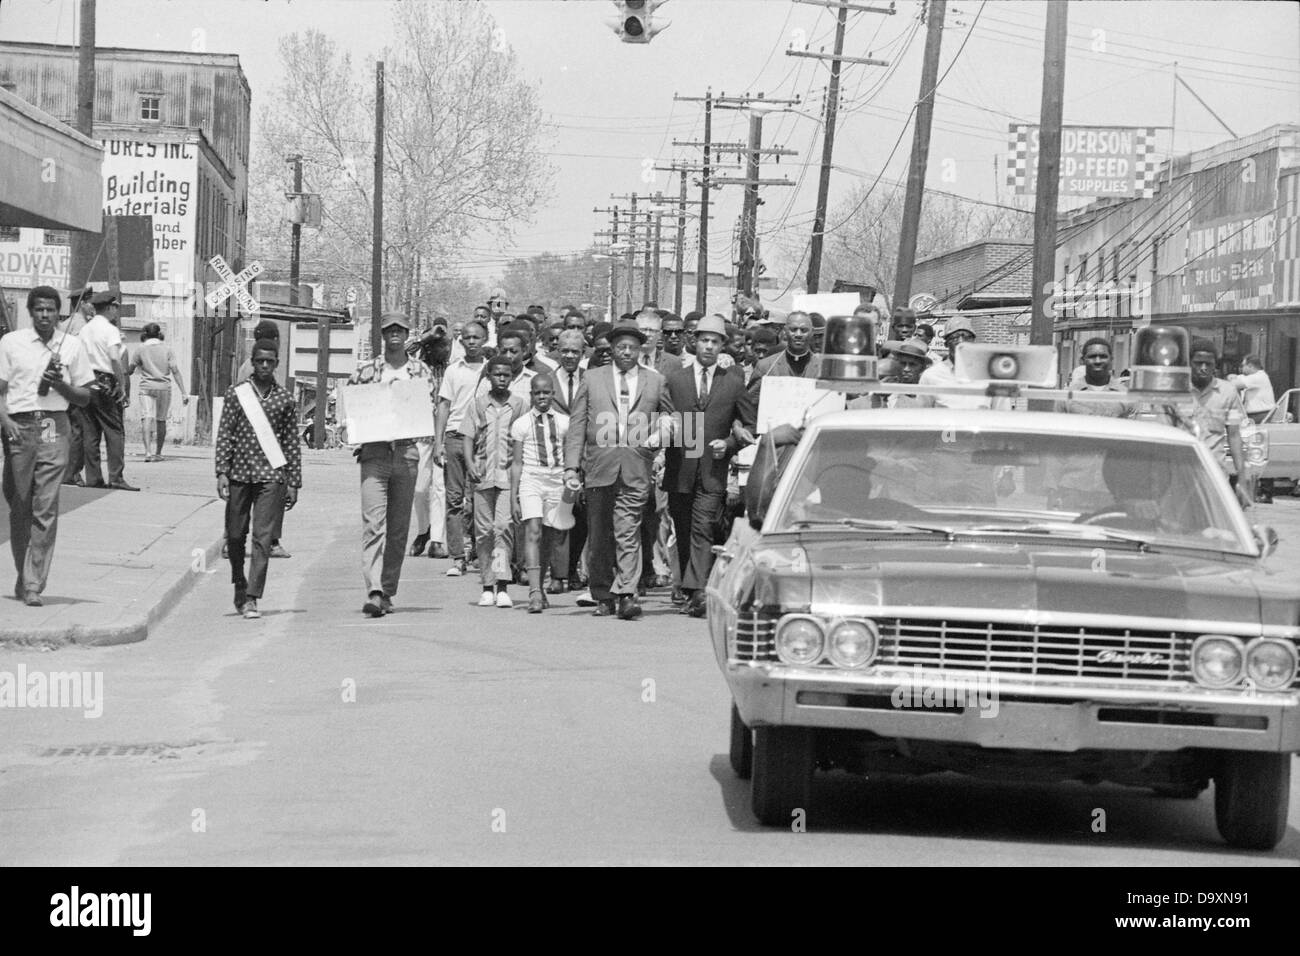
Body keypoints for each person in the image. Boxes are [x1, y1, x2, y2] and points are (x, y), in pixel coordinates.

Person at [564, 317, 674, 620]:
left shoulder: (655, 380)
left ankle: (627, 592)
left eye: (633, 348)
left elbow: (673, 417)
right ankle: (602, 593)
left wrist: (659, 438)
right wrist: (572, 468)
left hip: (637, 465)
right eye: (621, 347)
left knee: (628, 531)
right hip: (599, 466)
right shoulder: (592, 378)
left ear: (641, 350)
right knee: (599, 535)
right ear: (611, 349)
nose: (627, 352)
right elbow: (577, 426)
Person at [0, 285, 95, 606]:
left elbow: (85, 396)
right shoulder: (11, 343)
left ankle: (33, 583)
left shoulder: (72, 345)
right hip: (19, 427)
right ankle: (23, 573)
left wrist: (60, 385)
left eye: (50, 310)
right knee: (19, 503)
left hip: (55, 425)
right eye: (39, 309)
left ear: (59, 313)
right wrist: (7, 421)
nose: (44, 315)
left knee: (46, 506)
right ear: (30, 311)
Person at [662, 315, 755, 617]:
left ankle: (699, 591)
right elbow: (663, 419)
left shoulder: (733, 381)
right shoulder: (676, 379)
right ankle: (690, 588)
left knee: (703, 528)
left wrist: (728, 444)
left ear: (722, 346)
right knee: (685, 528)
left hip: (713, 471)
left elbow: (749, 428)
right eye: (704, 340)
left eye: (715, 342)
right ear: (695, 342)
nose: (709, 346)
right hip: (680, 469)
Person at [348, 312, 438, 618]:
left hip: (406, 453)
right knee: (373, 524)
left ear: (407, 333)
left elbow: (432, 407)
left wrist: (434, 443)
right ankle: (373, 589)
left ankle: (387, 590)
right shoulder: (366, 370)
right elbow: (348, 404)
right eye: (389, 330)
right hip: (374, 454)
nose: (395, 335)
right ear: (383, 335)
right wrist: (353, 429)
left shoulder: (421, 371)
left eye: (400, 329)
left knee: (398, 529)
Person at [215, 338, 301, 620]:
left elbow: (291, 442)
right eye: (260, 360)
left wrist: (293, 482)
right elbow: (225, 433)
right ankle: (239, 582)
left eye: (270, 361)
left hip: (271, 477)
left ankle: (252, 596)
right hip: (240, 473)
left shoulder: (285, 399)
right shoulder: (236, 394)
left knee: (262, 537)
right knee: (236, 535)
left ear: (277, 364)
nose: (264, 366)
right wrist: (222, 471)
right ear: (252, 362)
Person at [464, 354, 527, 608]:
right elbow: (468, 435)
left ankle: (501, 583)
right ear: (488, 376)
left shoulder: (519, 405)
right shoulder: (478, 405)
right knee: (483, 531)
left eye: (506, 374)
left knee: (502, 527)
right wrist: (469, 463)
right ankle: (486, 584)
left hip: (507, 476)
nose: (501, 378)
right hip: (482, 475)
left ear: (512, 377)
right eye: (496, 374)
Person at [228, 319, 290, 559]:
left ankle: (237, 540)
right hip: (260, 442)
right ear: (275, 339)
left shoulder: (250, 364)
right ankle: (271, 541)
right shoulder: (256, 368)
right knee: (270, 493)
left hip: (258, 441)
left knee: (243, 500)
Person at [509, 373, 569, 613]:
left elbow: (571, 452)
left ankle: (540, 586)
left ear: (553, 394)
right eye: (537, 393)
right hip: (531, 478)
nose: (542, 396)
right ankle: (534, 592)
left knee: (549, 535)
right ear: (531, 394)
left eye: (546, 392)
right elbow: (516, 462)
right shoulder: (521, 423)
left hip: (556, 479)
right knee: (532, 530)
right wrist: (514, 494)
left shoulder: (565, 422)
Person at [435, 319, 488, 577]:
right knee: (454, 499)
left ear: (485, 339)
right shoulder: (453, 371)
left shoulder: (493, 370)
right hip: (455, 437)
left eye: (476, 337)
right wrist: (438, 442)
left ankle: (480, 551)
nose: (471, 342)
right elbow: (444, 406)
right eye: (466, 337)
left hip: (482, 440)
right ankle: (457, 556)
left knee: (480, 499)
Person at [78, 292, 138, 491]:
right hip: (105, 382)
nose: (116, 312)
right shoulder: (110, 330)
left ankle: (93, 478)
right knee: (114, 430)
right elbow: (114, 358)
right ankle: (116, 477)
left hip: (86, 381)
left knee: (90, 432)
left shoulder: (85, 330)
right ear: (110, 307)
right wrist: (121, 384)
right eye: (116, 308)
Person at [405, 317, 454, 559]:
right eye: (440, 345)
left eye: (448, 345)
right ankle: (424, 529)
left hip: (444, 437)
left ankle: (437, 540)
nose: (445, 350)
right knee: (419, 489)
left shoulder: (453, 369)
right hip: (420, 436)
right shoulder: (416, 368)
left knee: (440, 488)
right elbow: (401, 352)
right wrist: (426, 336)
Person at [1188, 339, 1251, 509]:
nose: (1203, 368)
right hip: (1181, 476)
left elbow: (1234, 436)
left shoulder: (1228, 392)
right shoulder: (1177, 391)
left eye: (1208, 364)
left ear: (1215, 365)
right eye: (1198, 363)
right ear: (1189, 364)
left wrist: (1242, 480)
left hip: (1215, 476)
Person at [548, 330, 587, 591]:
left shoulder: (592, 379)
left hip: (586, 457)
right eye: (565, 350)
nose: (569, 356)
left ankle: (573, 568)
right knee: (558, 515)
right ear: (557, 351)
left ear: (583, 353)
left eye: (575, 351)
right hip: (554, 456)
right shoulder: (546, 381)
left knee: (583, 518)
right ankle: (558, 574)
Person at [916, 316, 1009, 410]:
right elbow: (921, 416)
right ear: (946, 344)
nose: (961, 342)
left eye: (966, 337)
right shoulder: (931, 376)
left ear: (974, 341)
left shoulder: (992, 379)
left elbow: (1004, 417)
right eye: (955, 337)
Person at [130, 323, 189, 462]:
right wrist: (183, 392)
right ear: (159, 334)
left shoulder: (140, 349)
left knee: (147, 418)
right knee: (161, 420)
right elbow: (175, 371)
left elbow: (131, 369)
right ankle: (158, 452)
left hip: (146, 387)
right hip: (164, 387)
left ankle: (148, 453)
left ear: (144, 334)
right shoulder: (168, 349)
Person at [58, 290, 95, 487]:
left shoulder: (63, 324)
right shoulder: (85, 326)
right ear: (82, 303)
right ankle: (72, 473)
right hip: (78, 381)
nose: (92, 306)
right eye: (90, 302)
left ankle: (65, 470)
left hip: (64, 380)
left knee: (68, 428)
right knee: (80, 429)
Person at [1230, 355, 1276, 503]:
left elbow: (1233, 384)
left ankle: (1266, 492)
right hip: (1254, 416)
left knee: (1258, 454)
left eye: (1243, 366)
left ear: (1251, 366)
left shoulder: (1258, 377)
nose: (1242, 369)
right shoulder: (1256, 378)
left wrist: (1232, 377)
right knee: (1254, 454)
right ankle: (1257, 491)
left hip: (1260, 416)